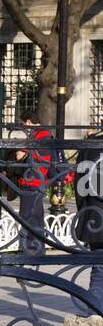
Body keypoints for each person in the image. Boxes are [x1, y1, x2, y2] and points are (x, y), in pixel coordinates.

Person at [11, 118, 62, 257]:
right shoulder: (47, 135)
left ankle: (30, 249)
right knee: (36, 215)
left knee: (28, 216)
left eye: (23, 124)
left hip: (31, 180)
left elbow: (19, 155)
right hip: (39, 180)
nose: (24, 127)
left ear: (28, 122)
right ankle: (37, 248)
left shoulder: (38, 136)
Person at [74, 124, 103, 313]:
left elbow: (80, 185)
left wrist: (84, 212)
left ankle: (94, 316)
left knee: (99, 270)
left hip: (96, 215)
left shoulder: (90, 145)